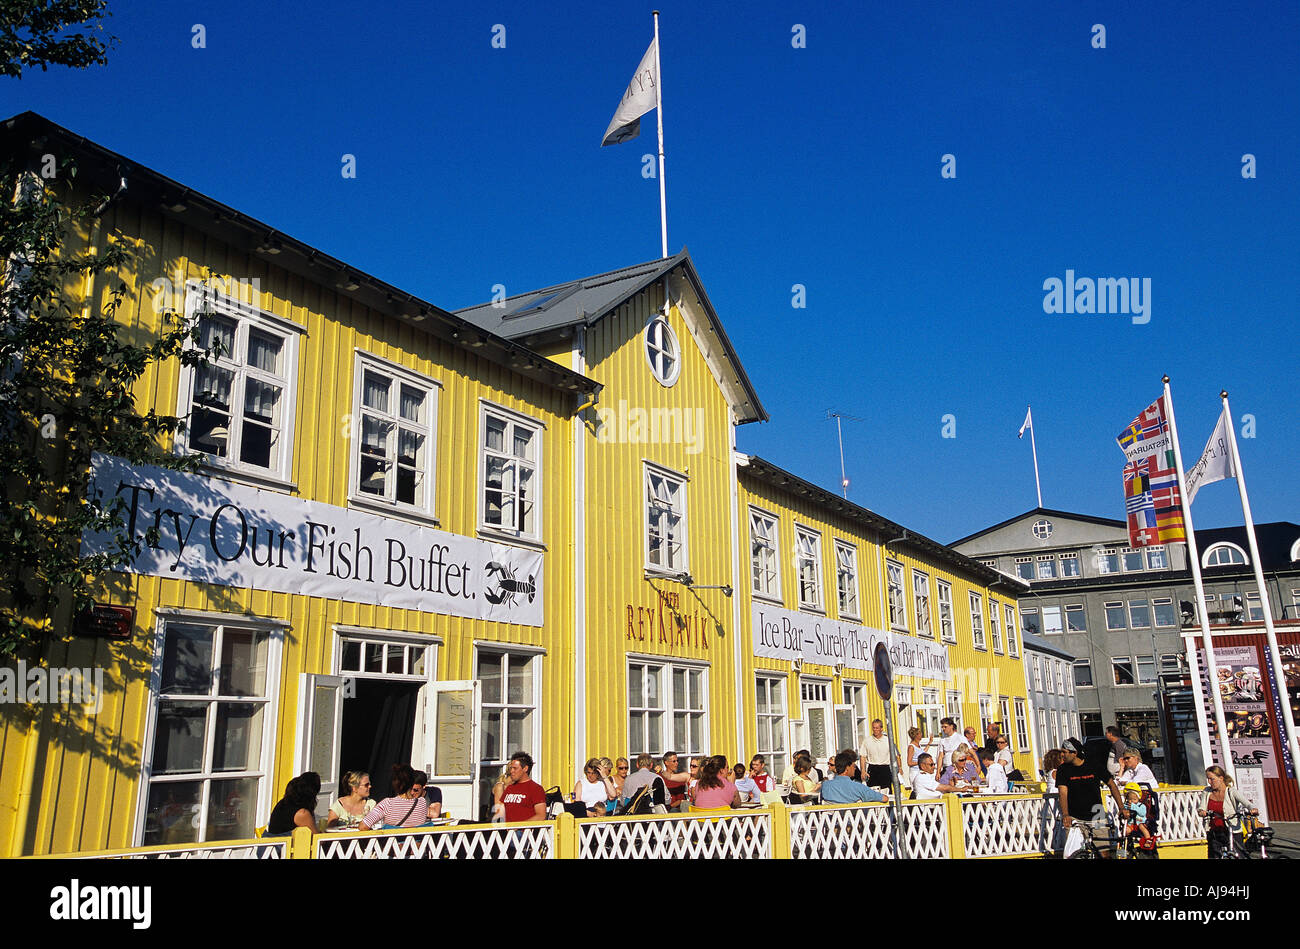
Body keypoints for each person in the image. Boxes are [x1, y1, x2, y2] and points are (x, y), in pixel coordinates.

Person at [1057, 738, 1125, 857]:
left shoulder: (1093, 764)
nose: (1061, 755)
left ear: (1074, 753)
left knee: (1103, 852)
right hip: (1075, 817)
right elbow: (1063, 793)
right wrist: (1066, 814)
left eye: (1064, 752)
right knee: (1073, 854)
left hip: (1097, 814)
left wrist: (1121, 807)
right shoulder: (1063, 770)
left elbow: (1111, 784)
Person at [1197, 765, 1259, 859]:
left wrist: (1252, 809)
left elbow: (1247, 804)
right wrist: (1202, 812)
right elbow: (1201, 808)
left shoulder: (1231, 791)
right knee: (1215, 856)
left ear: (1221, 778)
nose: (1209, 782)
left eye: (1212, 779)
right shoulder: (1207, 792)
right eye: (1208, 779)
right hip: (1214, 831)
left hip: (1232, 830)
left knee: (1238, 855)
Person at [362, 764, 431, 829]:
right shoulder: (422, 802)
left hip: (393, 841)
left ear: (395, 784)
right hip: (417, 841)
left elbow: (363, 826)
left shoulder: (387, 804)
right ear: (412, 782)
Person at [820, 749, 890, 804]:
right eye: (853, 766)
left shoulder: (825, 785)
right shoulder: (857, 787)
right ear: (847, 768)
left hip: (831, 820)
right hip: (853, 820)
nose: (855, 768)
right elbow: (884, 798)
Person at [499, 751, 547, 822]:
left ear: (525, 769)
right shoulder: (509, 788)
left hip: (524, 831)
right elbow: (500, 811)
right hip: (507, 831)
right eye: (511, 768)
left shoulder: (536, 789)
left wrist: (519, 827)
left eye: (515, 768)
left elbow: (541, 816)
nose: (511, 771)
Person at [860, 719, 893, 790]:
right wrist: (863, 770)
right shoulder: (867, 741)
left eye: (877, 728)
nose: (875, 730)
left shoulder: (888, 740)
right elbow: (863, 756)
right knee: (872, 791)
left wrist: (898, 768)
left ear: (881, 728)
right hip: (872, 768)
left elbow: (895, 755)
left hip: (885, 768)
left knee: (886, 790)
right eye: (873, 728)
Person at [1121, 783, 1152, 848]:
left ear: (1138, 798)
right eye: (1130, 799)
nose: (1132, 801)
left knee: (1142, 827)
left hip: (1140, 822)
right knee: (1126, 830)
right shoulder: (1126, 806)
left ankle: (1148, 840)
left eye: (1134, 799)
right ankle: (1126, 842)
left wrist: (1133, 806)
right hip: (1131, 823)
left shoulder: (1141, 806)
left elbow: (1142, 813)